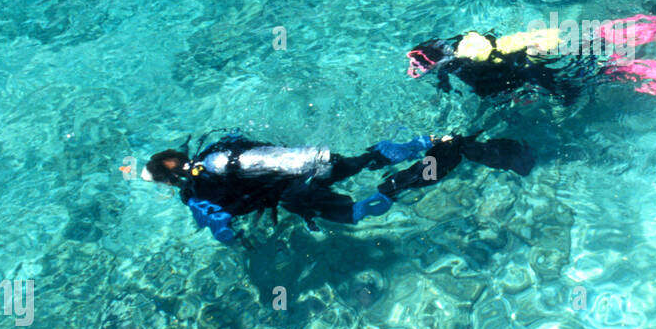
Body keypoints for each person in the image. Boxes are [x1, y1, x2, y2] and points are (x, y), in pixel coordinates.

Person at [141, 131, 533, 244]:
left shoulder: (194, 194)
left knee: (355, 211)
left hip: (296, 193)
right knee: (360, 161)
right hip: (310, 166)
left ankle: (387, 194)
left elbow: (219, 224)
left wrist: (231, 237)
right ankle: (421, 142)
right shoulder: (217, 152)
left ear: (171, 180)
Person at [406, 14, 656, 104]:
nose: (415, 69)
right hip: (541, 44)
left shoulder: (466, 68)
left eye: (420, 65)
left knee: (602, 73)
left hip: (539, 67)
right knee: (592, 42)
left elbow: (497, 86)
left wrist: (557, 96)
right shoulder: (464, 44)